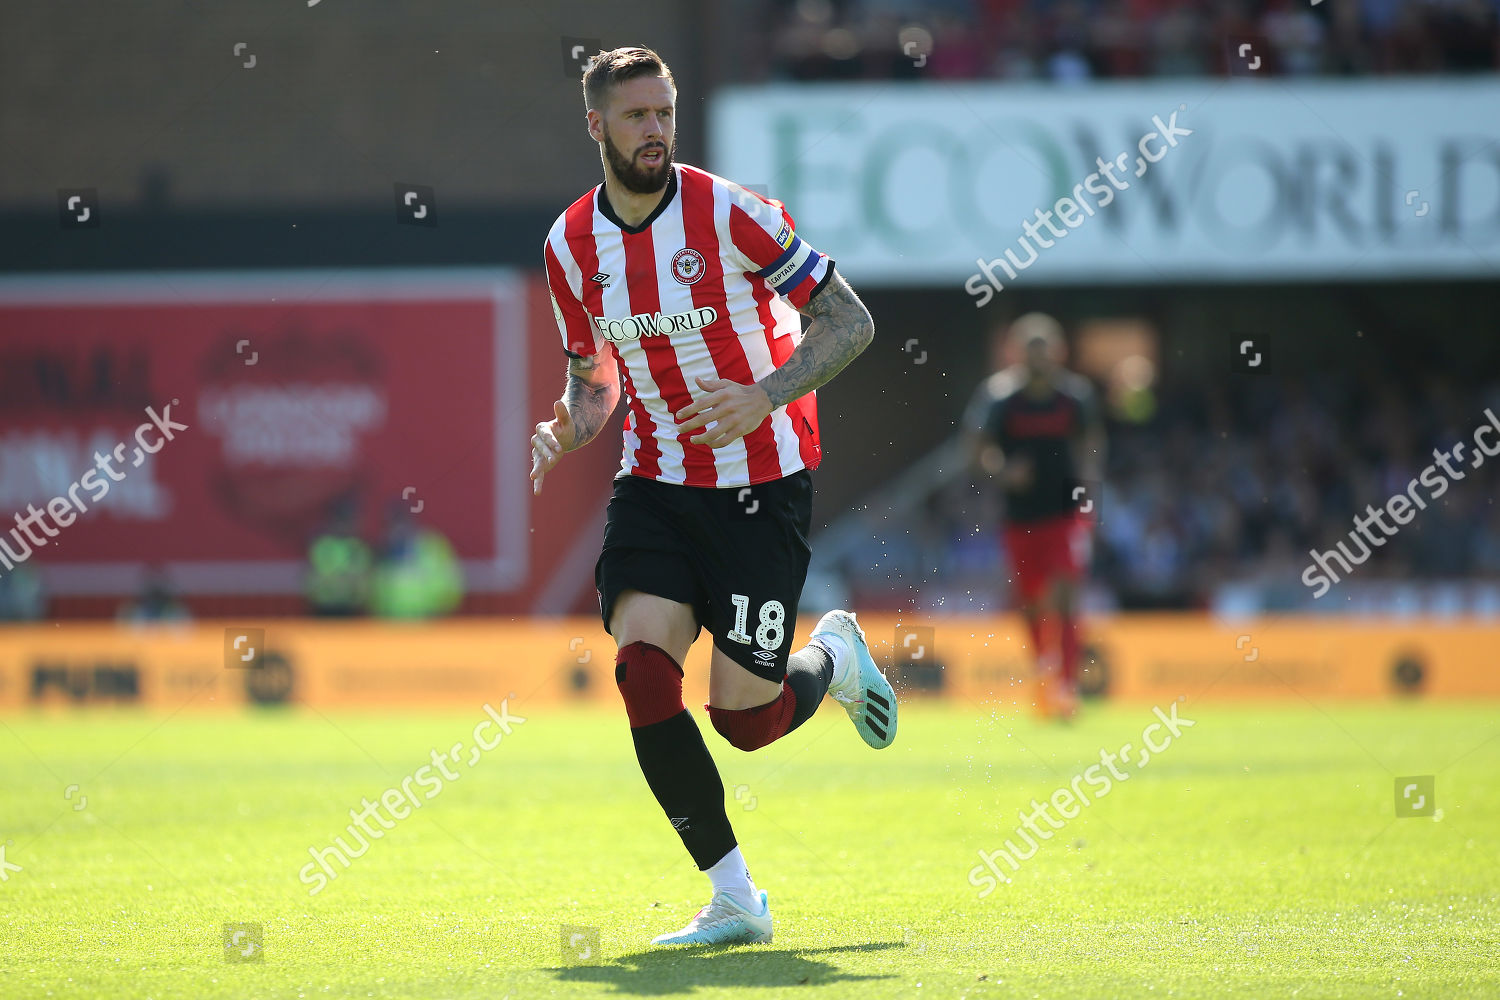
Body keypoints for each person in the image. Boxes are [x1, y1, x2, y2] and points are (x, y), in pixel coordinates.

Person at [531, 46, 896, 947]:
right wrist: (571, 428)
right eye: (635, 117)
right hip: (653, 482)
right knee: (643, 671)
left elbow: (850, 319)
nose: (655, 130)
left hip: (761, 486)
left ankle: (835, 660)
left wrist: (765, 393)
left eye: (664, 113)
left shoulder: (732, 214)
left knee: (746, 720)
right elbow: (593, 379)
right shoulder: (569, 247)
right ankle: (735, 897)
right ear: (596, 127)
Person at [966, 314, 1105, 719]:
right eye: (1031, 351)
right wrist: (1004, 471)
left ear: (1058, 353)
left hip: (1065, 516)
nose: (1038, 360)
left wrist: (1089, 501)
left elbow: (1092, 450)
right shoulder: (999, 399)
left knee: (1065, 595)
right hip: (1019, 518)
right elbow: (976, 451)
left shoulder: (1076, 399)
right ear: (1017, 354)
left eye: (1044, 351)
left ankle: (1065, 684)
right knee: (1031, 603)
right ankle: (1043, 674)